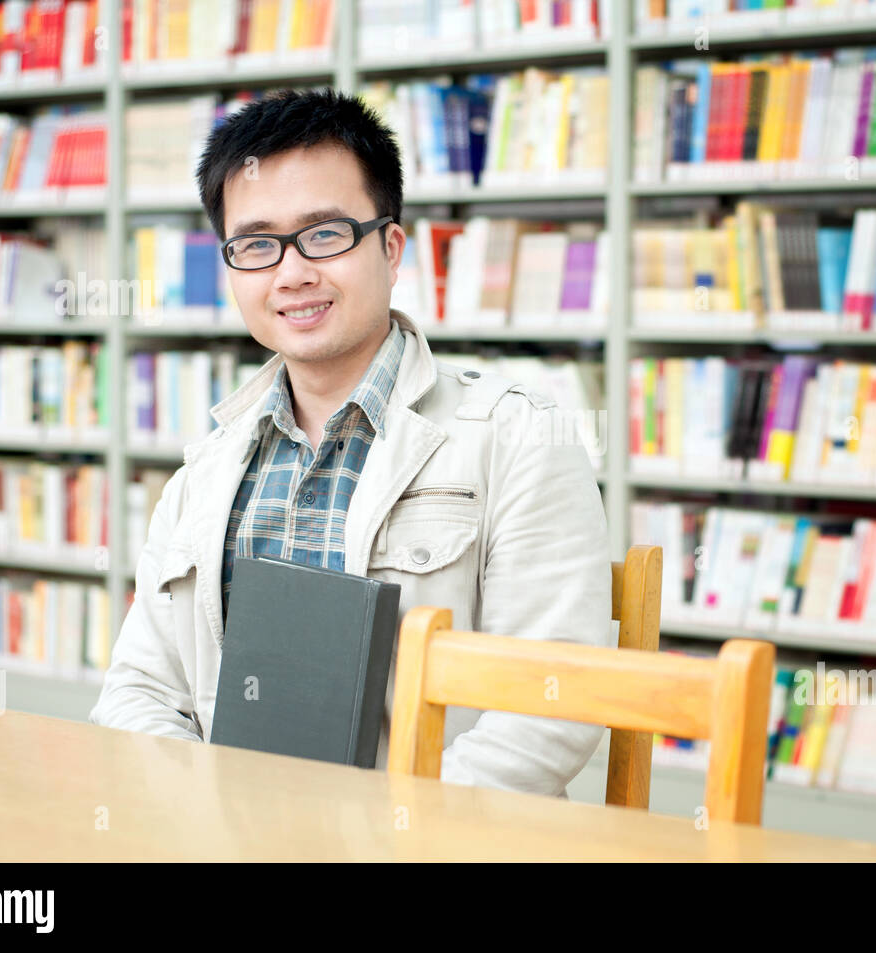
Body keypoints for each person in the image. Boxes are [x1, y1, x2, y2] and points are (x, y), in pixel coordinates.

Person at [90, 88, 611, 795]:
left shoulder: (519, 437)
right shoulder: (205, 469)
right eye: (256, 245)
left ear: (391, 248)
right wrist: (209, 818)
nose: (292, 271)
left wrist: (378, 834)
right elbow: (138, 691)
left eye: (326, 234)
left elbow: (551, 704)